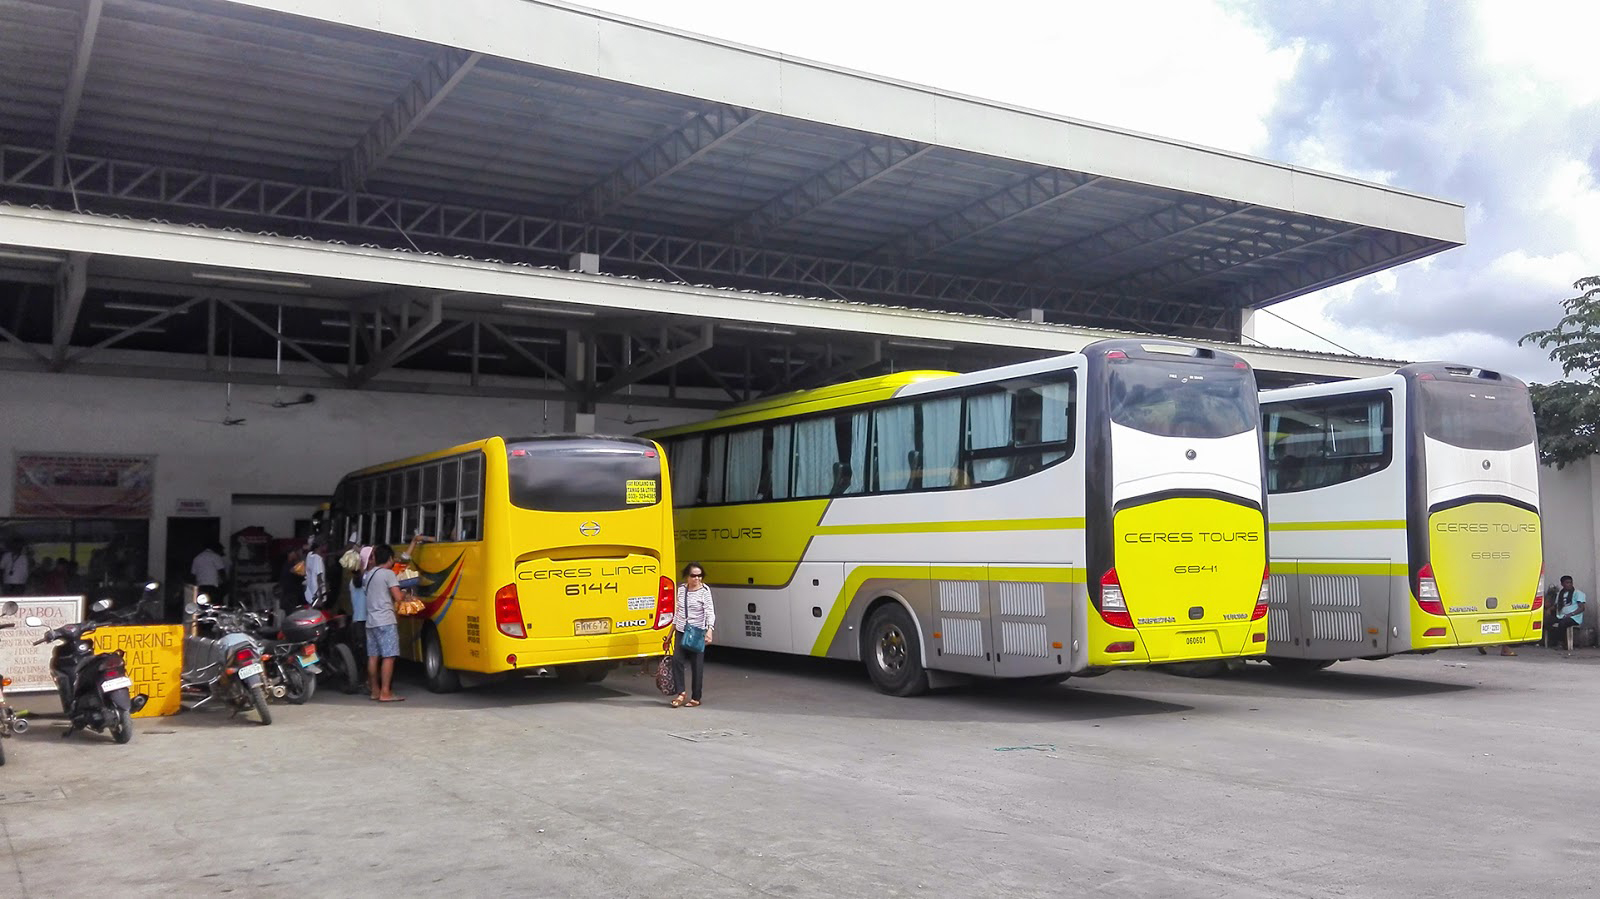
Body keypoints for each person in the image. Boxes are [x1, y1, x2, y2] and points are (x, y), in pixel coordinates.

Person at [669, 562, 716, 709]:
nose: (697, 578)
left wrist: (709, 630)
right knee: (676, 660)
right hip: (682, 629)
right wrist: (671, 632)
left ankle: (696, 697)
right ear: (687, 576)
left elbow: (709, 611)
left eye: (699, 575)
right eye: (693, 575)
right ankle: (681, 693)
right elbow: (678, 612)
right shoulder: (682, 589)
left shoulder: (704, 591)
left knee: (697, 665)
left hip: (697, 631)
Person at [363, 544, 405, 702]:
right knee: (389, 656)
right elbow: (398, 597)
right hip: (386, 620)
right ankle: (386, 692)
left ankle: (375, 690)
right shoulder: (388, 574)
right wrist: (405, 594)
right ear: (389, 559)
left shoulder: (368, 575)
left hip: (371, 621)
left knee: (373, 657)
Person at [1548, 575, 1586, 649]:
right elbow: (1556, 606)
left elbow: (1582, 608)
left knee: (1563, 623)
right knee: (1547, 621)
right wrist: (1549, 610)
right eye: (1567, 583)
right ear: (1562, 584)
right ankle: (1553, 641)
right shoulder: (1560, 594)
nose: (1569, 584)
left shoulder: (1577, 593)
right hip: (1561, 616)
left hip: (1573, 617)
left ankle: (1561, 643)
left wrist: (1571, 614)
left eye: (1570, 582)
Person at [302, 536, 328, 609]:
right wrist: (320, 597)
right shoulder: (318, 559)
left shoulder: (309, 555)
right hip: (317, 595)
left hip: (309, 592)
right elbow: (319, 579)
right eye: (325, 544)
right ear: (320, 546)